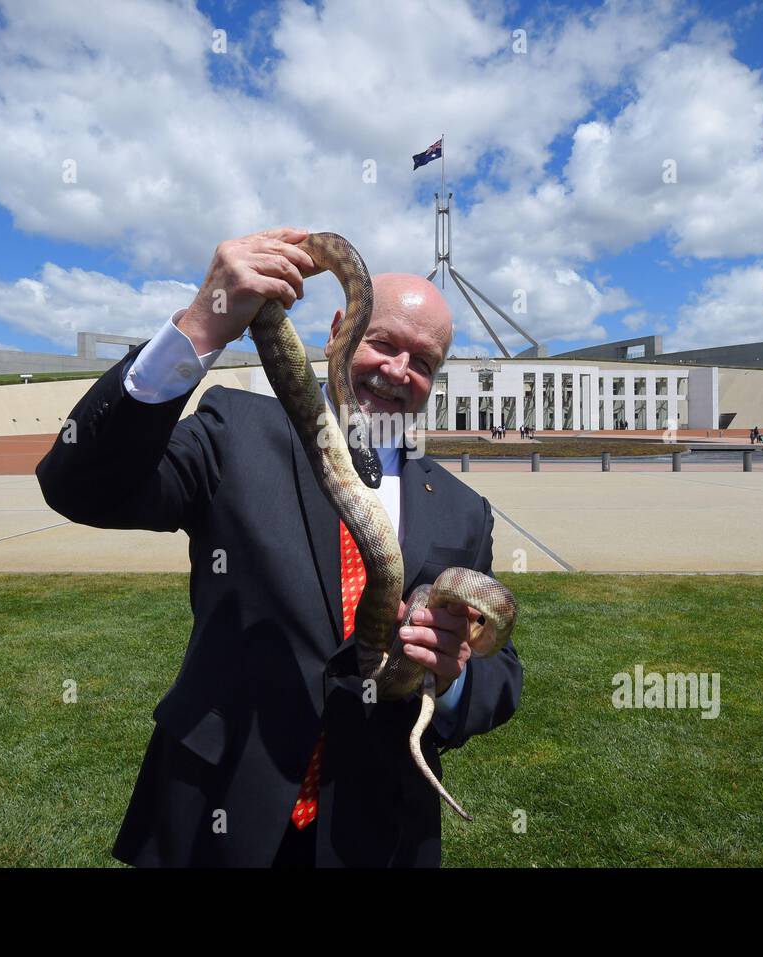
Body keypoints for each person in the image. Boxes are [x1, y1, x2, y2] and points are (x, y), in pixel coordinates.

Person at [36, 226, 522, 867]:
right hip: (220, 813)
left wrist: (452, 677)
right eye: (384, 344)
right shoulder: (235, 431)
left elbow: (502, 675)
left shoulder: (463, 510)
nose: (399, 371)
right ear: (339, 328)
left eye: (424, 362)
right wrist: (200, 326)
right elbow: (83, 487)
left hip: (376, 835)